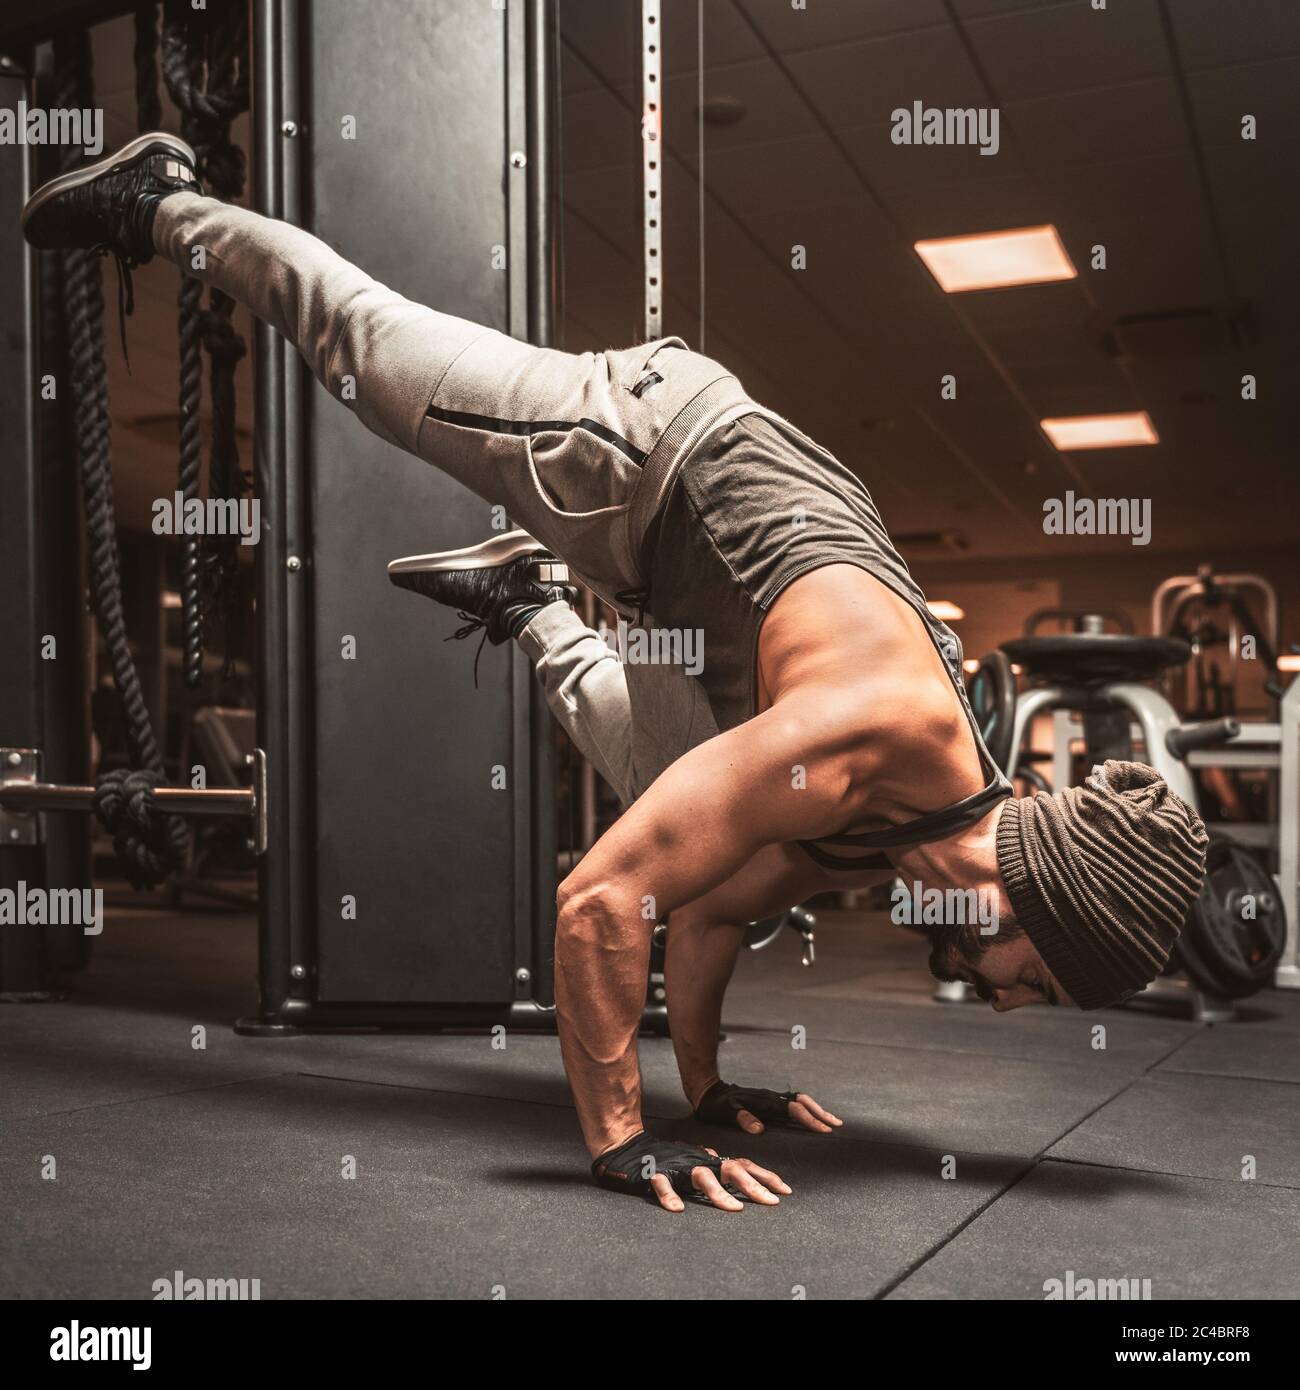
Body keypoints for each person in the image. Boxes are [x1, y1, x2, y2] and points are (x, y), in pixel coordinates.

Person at [23, 133, 1209, 1215]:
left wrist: (704, 1088)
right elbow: (601, 901)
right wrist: (623, 1139)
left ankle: (526, 600)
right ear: (1027, 895)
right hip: (637, 450)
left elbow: (707, 917)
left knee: (671, 796)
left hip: (676, 590)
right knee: (363, 346)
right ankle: (167, 203)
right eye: (1034, 979)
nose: (1006, 1002)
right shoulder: (870, 739)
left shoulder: (898, 825)